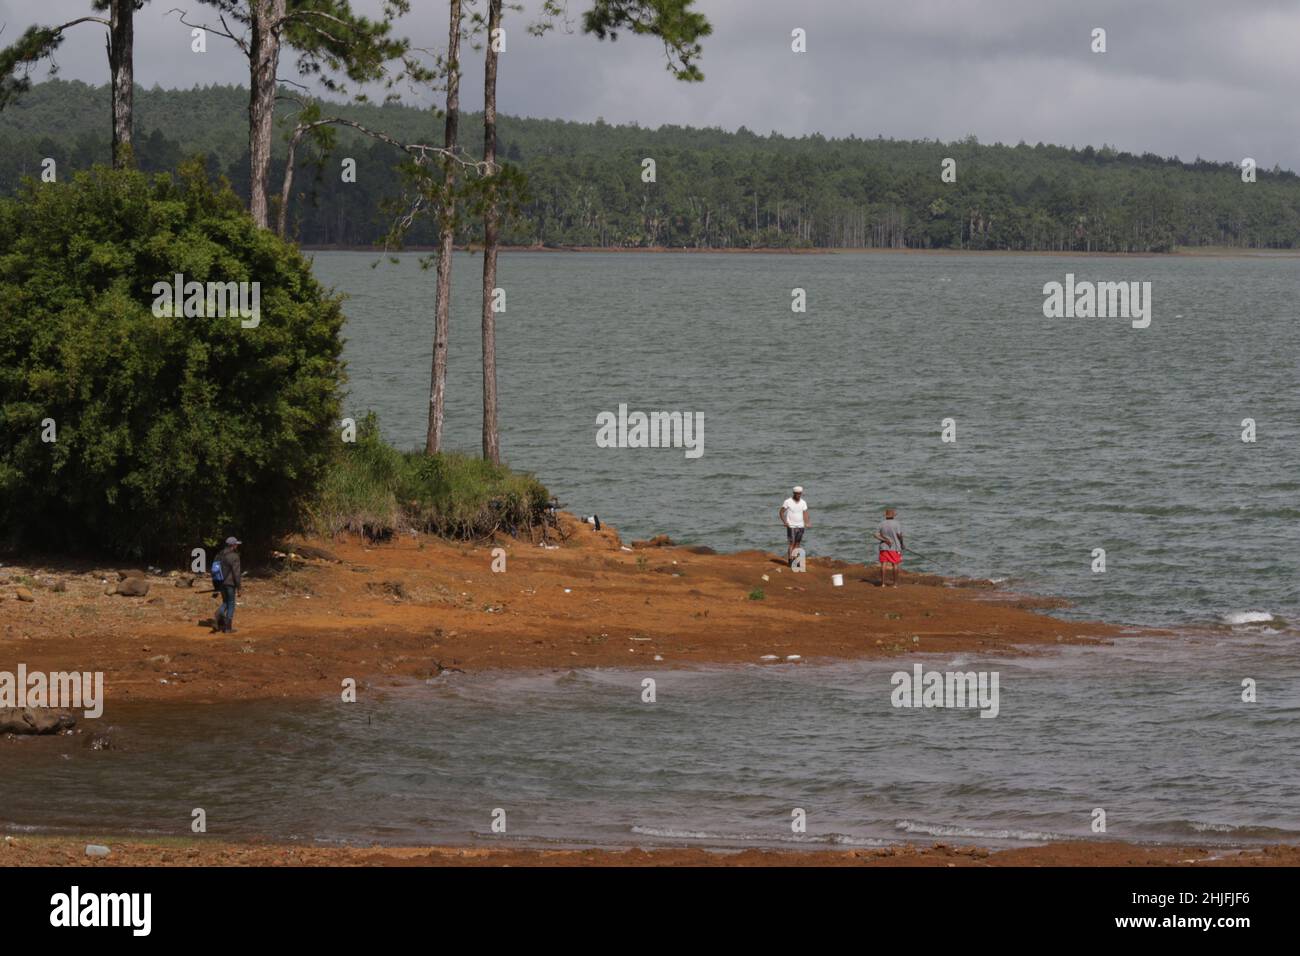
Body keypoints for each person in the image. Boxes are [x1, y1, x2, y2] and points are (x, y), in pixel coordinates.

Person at [213, 536, 243, 633]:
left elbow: (215, 570)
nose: (237, 546)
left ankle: (219, 613)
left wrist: (215, 586)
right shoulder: (234, 556)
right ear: (233, 545)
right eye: (236, 544)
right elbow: (236, 573)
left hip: (220, 582)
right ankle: (228, 628)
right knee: (231, 604)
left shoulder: (220, 554)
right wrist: (239, 587)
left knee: (226, 601)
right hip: (230, 583)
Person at [779, 486, 810, 566]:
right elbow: (781, 512)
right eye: (797, 494)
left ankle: (796, 561)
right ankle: (790, 561)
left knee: (798, 543)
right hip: (791, 526)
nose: (798, 495)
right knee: (791, 543)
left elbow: (805, 513)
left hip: (800, 526)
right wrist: (785, 522)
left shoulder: (803, 502)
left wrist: (807, 522)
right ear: (794, 493)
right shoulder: (788, 501)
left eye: (800, 494)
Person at [874, 508, 904, 587]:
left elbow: (876, 535)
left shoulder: (881, 523)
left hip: (883, 547)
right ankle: (895, 584)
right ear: (893, 515)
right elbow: (899, 535)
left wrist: (885, 540)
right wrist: (902, 543)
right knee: (895, 564)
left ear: (886, 516)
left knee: (883, 564)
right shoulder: (897, 523)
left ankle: (883, 583)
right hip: (895, 547)